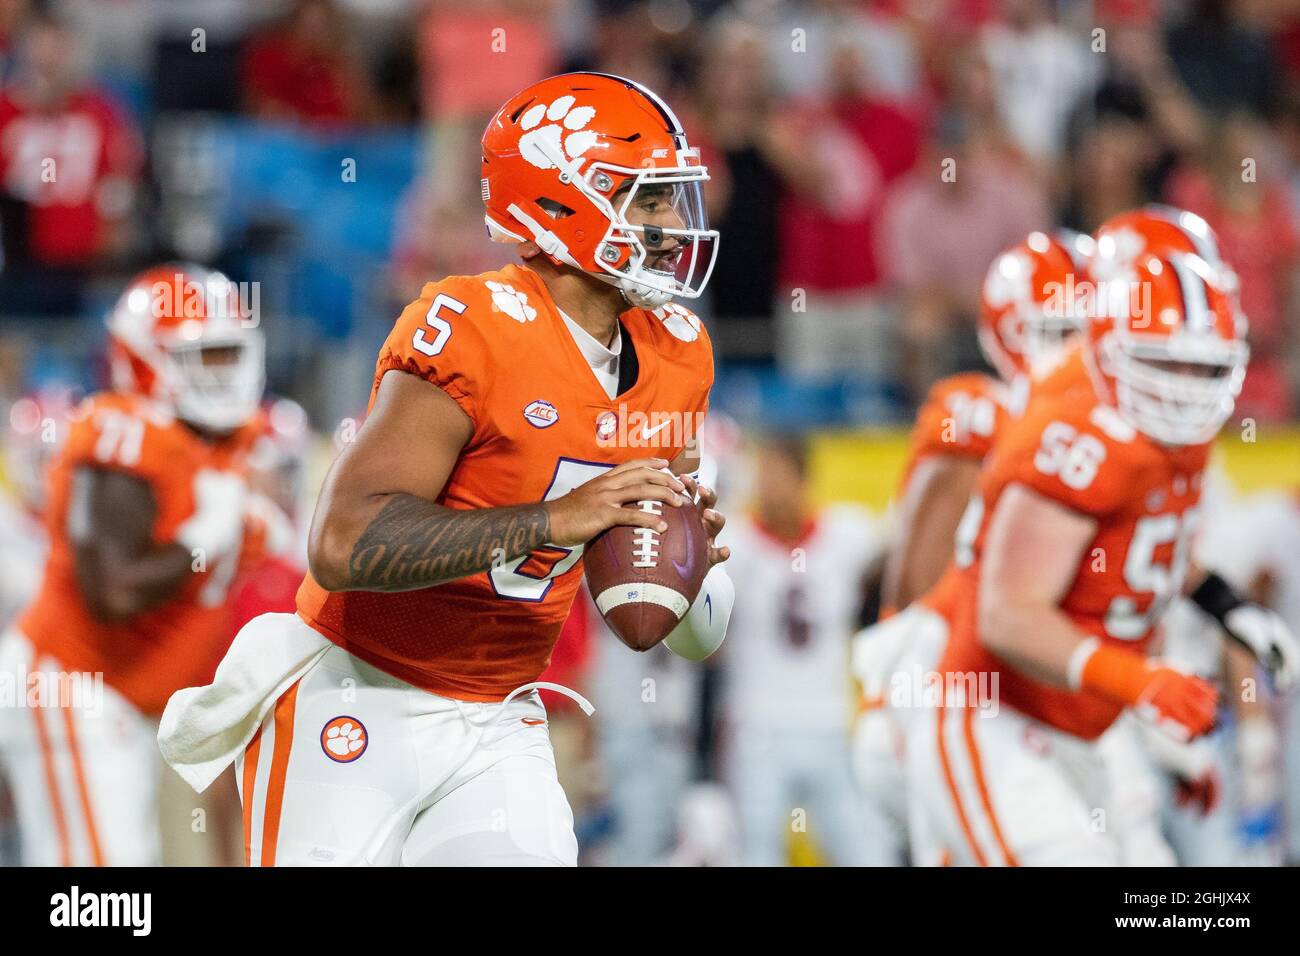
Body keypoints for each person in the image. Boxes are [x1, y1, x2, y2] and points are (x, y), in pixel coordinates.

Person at [159, 73, 734, 867]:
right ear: (564, 201)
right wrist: (552, 522)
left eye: (673, 199)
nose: (673, 227)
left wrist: (692, 567)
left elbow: (678, 625)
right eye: (649, 200)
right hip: (361, 698)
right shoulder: (471, 325)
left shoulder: (677, 351)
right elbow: (344, 542)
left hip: (500, 716)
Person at [902, 249, 1298, 865]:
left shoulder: (1161, 442)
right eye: (1169, 361)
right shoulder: (1073, 433)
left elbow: (1140, 563)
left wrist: (1229, 608)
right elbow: (1002, 613)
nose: (1184, 388)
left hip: (1078, 722)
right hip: (995, 709)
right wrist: (1141, 685)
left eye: (1203, 368)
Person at [0, 265, 271, 866]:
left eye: (229, 354)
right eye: (205, 356)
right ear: (148, 360)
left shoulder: (226, 443)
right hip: (76, 683)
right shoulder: (122, 432)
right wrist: (204, 535)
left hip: (127, 699)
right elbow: (114, 591)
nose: (223, 374)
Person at [722, 435, 889, 865]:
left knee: (864, 849)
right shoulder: (734, 544)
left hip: (829, 722)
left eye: (776, 475)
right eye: (763, 476)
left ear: (802, 479)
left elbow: (893, 559)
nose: (767, 488)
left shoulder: (847, 535)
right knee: (756, 850)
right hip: (757, 724)